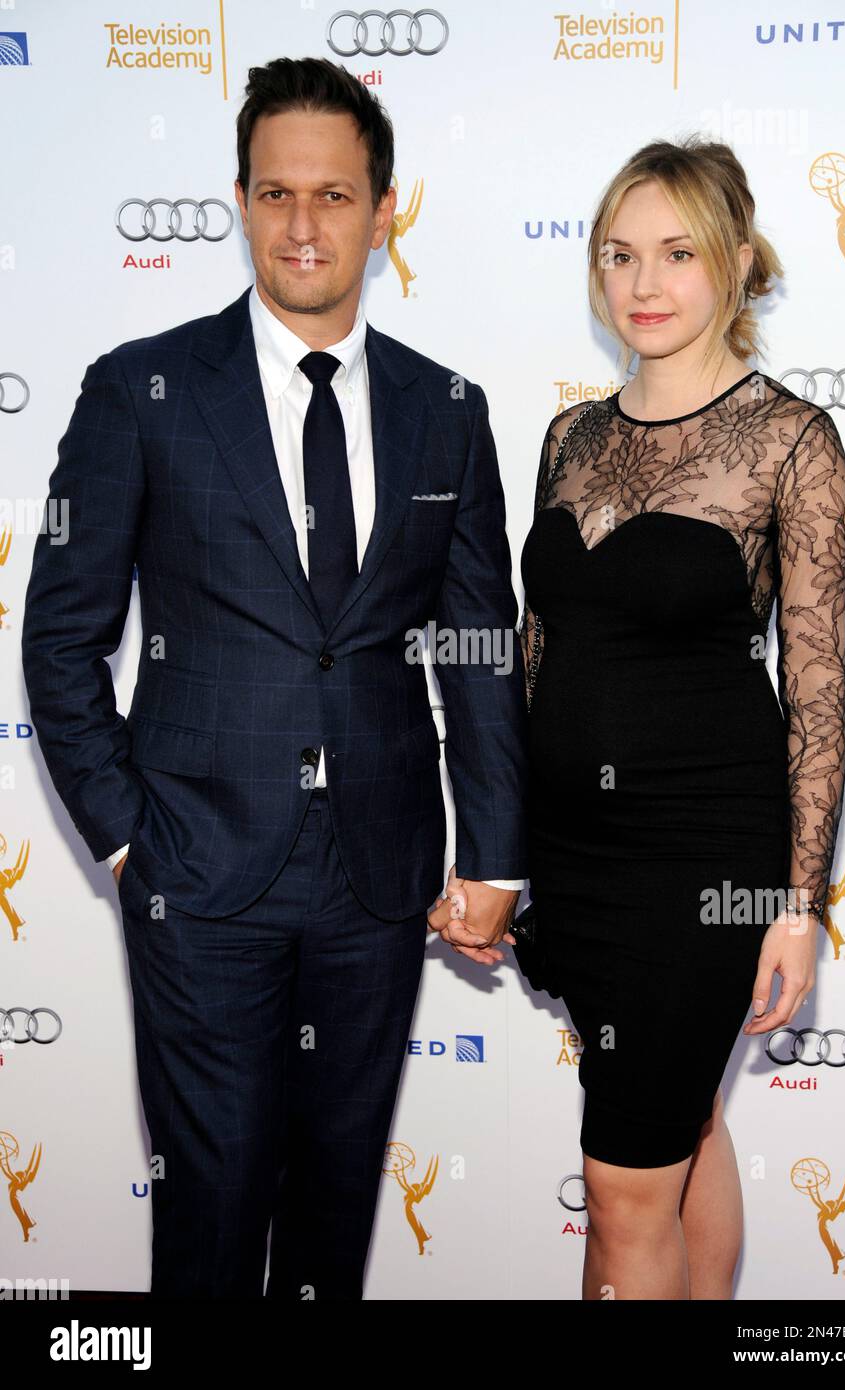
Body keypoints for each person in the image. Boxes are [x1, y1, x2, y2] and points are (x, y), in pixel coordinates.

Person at [21, 56, 526, 1299]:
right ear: (241, 200)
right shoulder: (138, 390)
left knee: (337, 1200)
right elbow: (59, 636)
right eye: (277, 192)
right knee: (213, 1193)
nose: (305, 225)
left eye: (337, 195)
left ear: (384, 207)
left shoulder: (446, 411)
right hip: (196, 869)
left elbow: (477, 643)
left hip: (378, 872)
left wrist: (495, 851)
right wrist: (130, 841)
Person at [440, 137, 845, 1300]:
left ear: (732, 263)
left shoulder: (791, 442)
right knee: (684, 1136)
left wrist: (795, 904)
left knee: (622, 1194)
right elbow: (535, 653)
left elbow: (818, 689)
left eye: (676, 252)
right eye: (620, 254)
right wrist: (503, 857)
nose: (644, 282)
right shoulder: (572, 438)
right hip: (582, 857)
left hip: (702, 861)